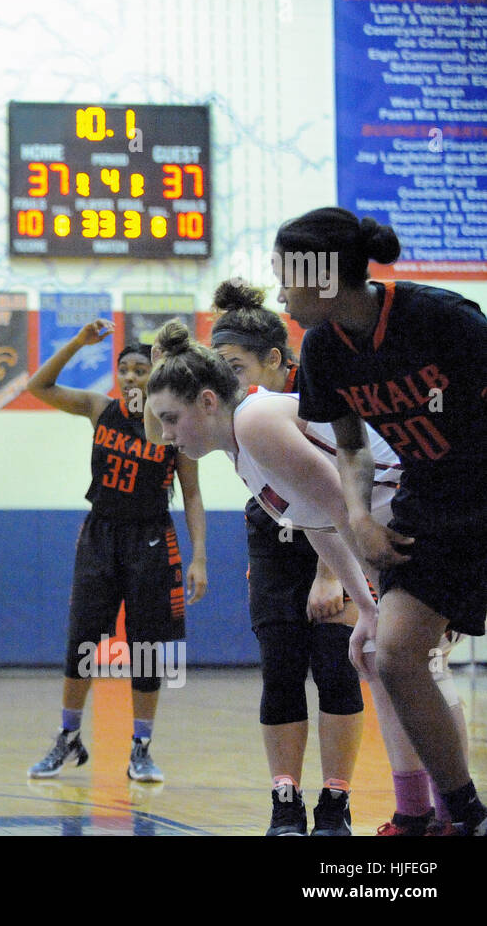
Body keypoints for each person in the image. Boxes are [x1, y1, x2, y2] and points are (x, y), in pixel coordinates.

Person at [146, 318, 468, 836]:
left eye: (169, 418)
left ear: (207, 402)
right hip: (406, 527)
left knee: (416, 665)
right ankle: (422, 816)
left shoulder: (253, 421)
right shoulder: (238, 448)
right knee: (390, 665)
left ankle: (459, 815)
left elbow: (347, 506)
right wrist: (366, 607)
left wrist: (379, 594)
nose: (165, 435)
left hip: (438, 511)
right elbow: (320, 522)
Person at [274, 206, 487, 835]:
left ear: (322, 277)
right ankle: (465, 814)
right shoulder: (323, 350)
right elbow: (350, 446)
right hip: (433, 504)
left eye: (287, 277)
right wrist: (360, 516)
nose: (280, 292)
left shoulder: (441, 320)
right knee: (392, 656)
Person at [205, 281, 364, 835]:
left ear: (274, 360)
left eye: (234, 365)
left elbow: (337, 492)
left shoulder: (315, 388)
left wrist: (330, 575)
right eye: (217, 368)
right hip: (274, 531)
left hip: (339, 536)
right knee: (280, 670)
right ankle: (285, 802)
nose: (228, 379)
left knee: (337, 669)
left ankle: (336, 803)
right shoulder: (236, 407)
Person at [26, 320, 207, 784]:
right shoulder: (98, 408)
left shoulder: (173, 426)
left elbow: (191, 495)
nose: (129, 377)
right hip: (100, 535)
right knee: (82, 641)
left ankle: (141, 748)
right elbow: (37, 385)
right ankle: (67, 738)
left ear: (156, 375)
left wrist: (199, 556)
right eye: (124, 369)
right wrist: (78, 343)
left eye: (140, 369)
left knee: (146, 648)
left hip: (151, 538)